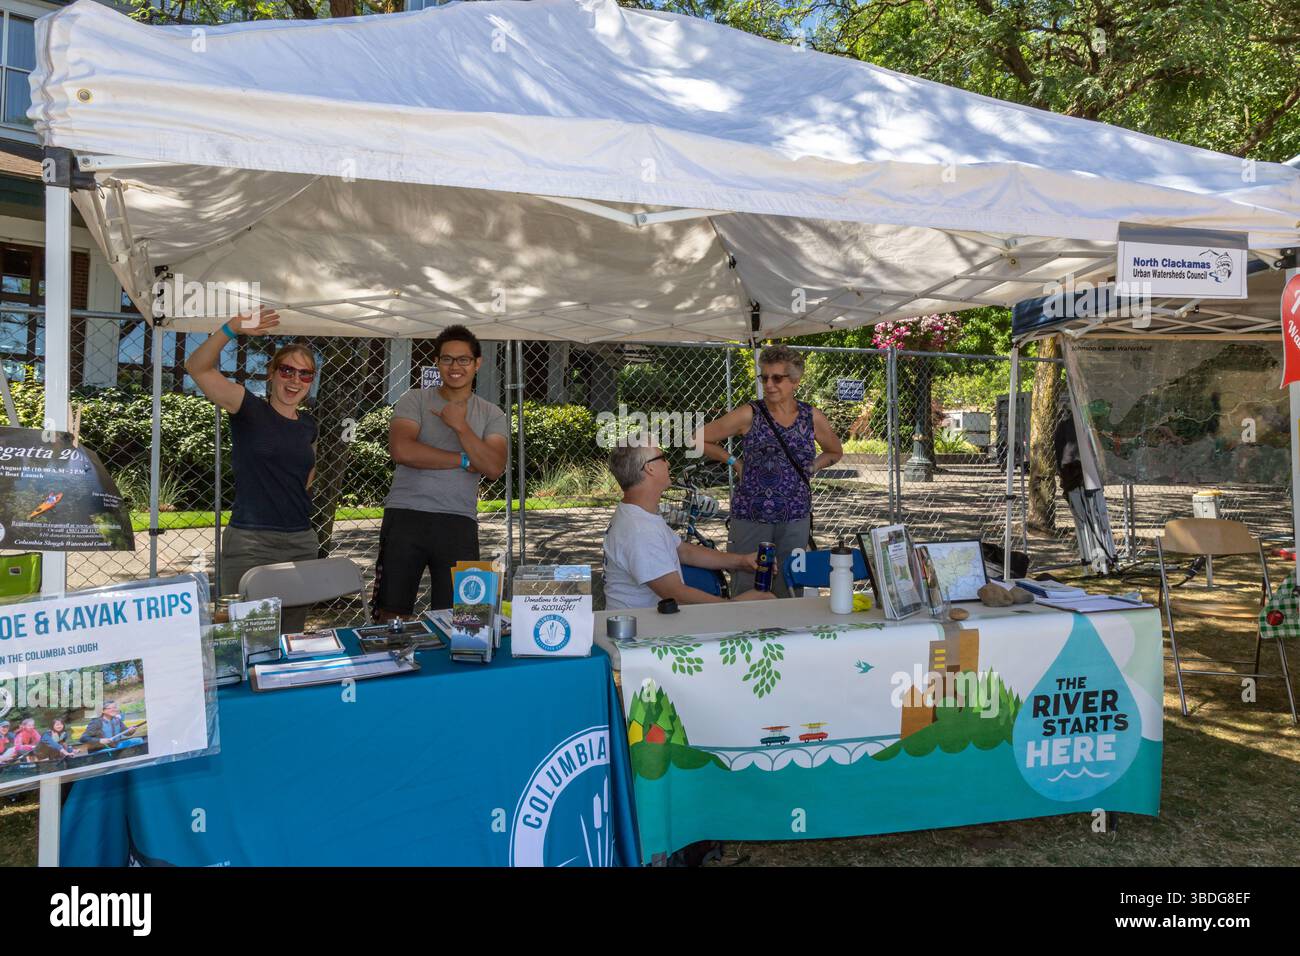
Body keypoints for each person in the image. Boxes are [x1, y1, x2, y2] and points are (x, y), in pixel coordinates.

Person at [186, 309, 319, 632]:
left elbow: (307, 476)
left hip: (301, 540)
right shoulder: (247, 407)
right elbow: (196, 367)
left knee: (290, 635)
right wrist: (232, 328)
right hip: (251, 541)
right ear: (271, 374)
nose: (295, 380)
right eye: (287, 370)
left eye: (305, 374)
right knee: (245, 636)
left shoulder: (309, 426)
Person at [373, 325, 509, 617]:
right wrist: (463, 459)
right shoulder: (415, 399)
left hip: (458, 520)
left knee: (462, 617)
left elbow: (494, 466)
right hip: (406, 514)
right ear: (436, 362)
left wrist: (460, 426)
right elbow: (402, 451)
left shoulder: (492, 413)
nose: (455, 366)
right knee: (391, 615)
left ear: (477, 363)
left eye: (463, 359)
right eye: (447, 359)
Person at [698, 345, 843, 597]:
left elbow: (834, 451)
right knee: (748, 586)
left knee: (790, 586)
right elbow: (699, 438)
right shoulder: (750, 413)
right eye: (764, 377)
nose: (769, 384)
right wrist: (735, 463)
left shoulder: (811, 417)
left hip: (795, 515)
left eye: (777, 378)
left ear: (795, 381)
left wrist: (812, 467)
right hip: (751, 515)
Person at [603, 442, 774, 610]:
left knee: (764, 601)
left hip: (649, 622)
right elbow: (676, 594)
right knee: (766, 604)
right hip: (644, 627)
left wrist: (742, 561)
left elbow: (684, 551)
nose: (668, 463)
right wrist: (736, 606)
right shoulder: (640, 529)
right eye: (662, 457)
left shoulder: (639, 514)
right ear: (650, 468)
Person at [79, 701, 144, 752]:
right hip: (101, 750)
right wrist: (100, 740)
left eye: (115, 707)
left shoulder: (117, 720)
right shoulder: (96, 722)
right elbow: (83, 738)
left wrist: (131, 730)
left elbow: (126, 733)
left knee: (139, 740)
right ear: (103, 711)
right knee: (113, 750)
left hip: (116, 747)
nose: (113, 710)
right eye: (110, 708)